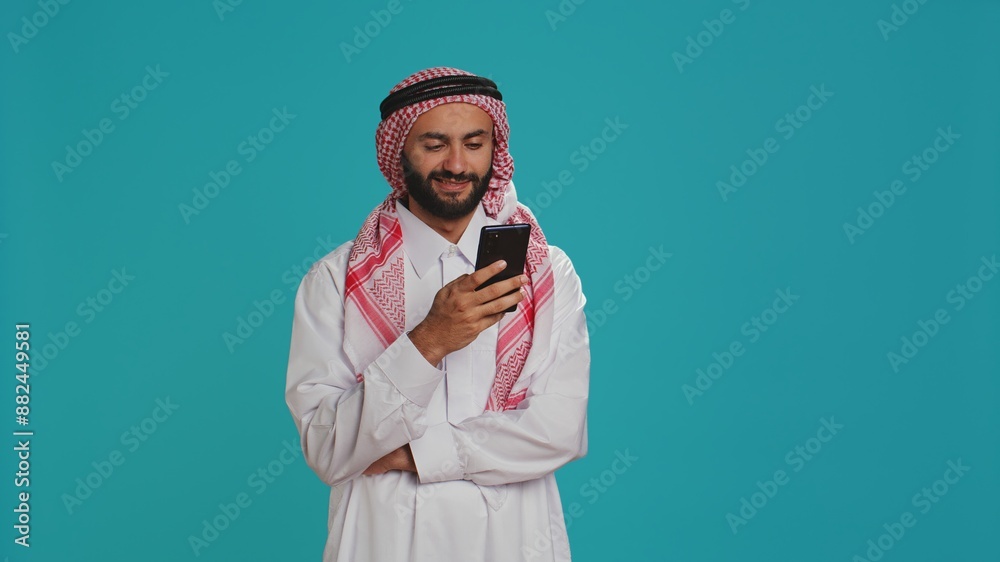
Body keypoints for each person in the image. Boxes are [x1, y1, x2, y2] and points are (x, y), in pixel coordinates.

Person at [285, 66, 590, 562]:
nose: (456, 164)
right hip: (384, 543)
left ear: (496, 149)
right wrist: (428, 340)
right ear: (398, 152)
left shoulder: (547, 273)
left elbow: (559, 430)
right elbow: (329, 448)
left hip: (514, 541)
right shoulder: (336, 280)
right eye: (434, 144)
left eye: (474, 143)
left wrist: (414, 456)